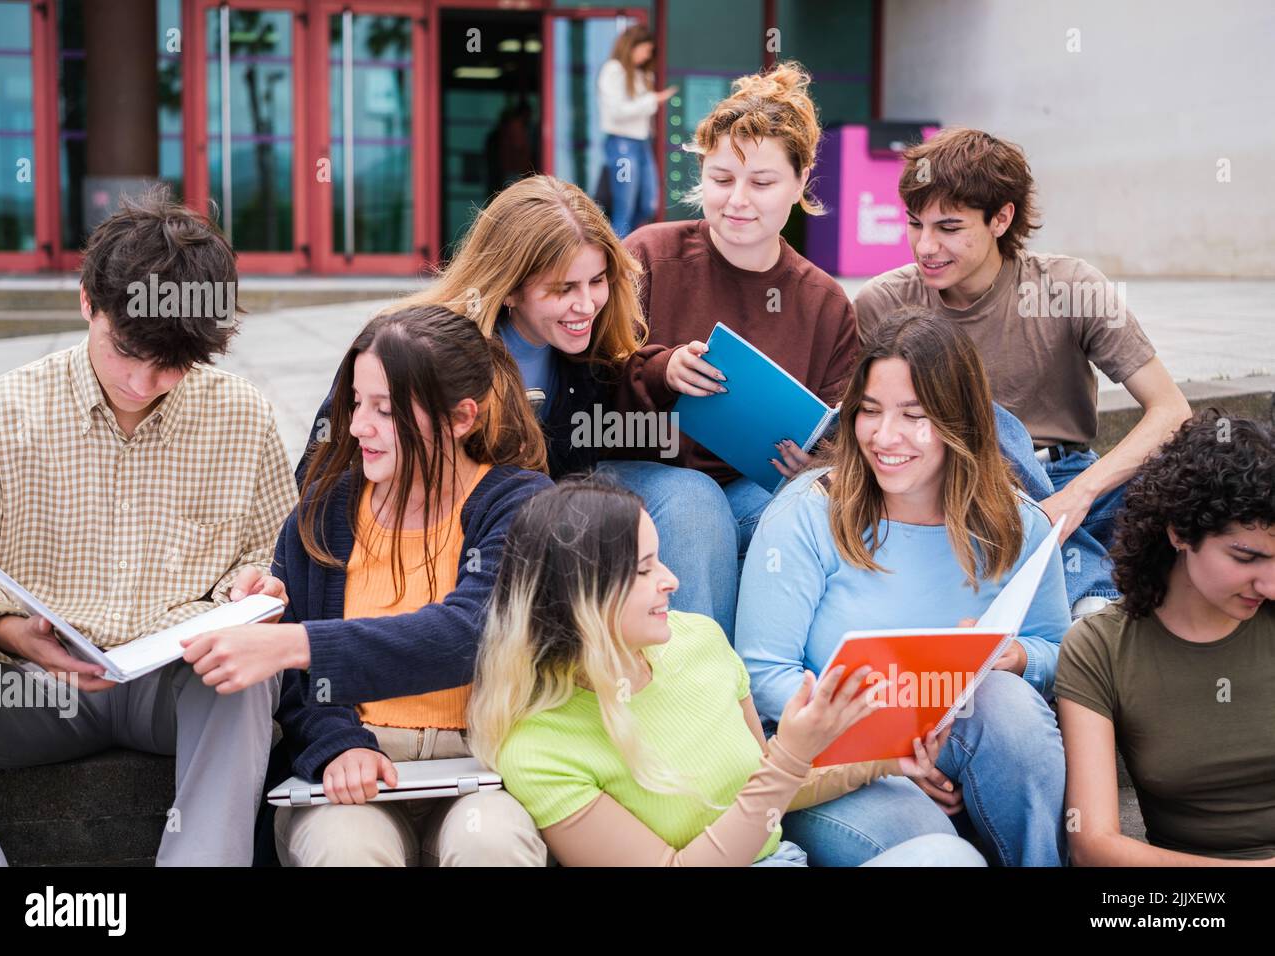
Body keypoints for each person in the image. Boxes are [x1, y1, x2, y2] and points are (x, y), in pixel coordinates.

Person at [0, 188, 297, 866]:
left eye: (174, 366)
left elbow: (277, 554)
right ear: (87, 302)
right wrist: (12, 633)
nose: (144, 381)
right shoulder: (1, 415)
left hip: (172, 687)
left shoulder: (243, 417)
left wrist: (259, 589)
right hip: (34, 687)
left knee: (244, 680)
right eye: (127, 350)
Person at [180, 306, 553, 866]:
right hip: (355, 768)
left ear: (460, 418)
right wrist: (337, 741)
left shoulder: (518, 503)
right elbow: (295, 692)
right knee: (347, 849)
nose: (357, 426)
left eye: (384, 409)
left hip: (485, 767)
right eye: (357, 403)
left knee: (489, 844)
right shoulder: (326, 510)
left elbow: (471, 635)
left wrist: (291, 643)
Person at [299, 175, 743, 635]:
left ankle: (700, 673)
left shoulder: (588, 351)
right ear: (510, 288)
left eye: (597, 280)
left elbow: (614, 440)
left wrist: (666, 375)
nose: (586, 304)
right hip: (457, 526)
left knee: (694, 496)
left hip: (551, 504)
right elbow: (322, 467)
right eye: (563, 288)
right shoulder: (416, 345)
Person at [468, 481, 986, 867]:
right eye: (644, 569)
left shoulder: (698, 639)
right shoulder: (539, 747)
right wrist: (789, 756)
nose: (671, 580)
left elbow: (761, 784)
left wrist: (884, 758)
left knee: (947, 856)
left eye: (661, 560)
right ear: (582, 595)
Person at [736, 308, 1072, 866]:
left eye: (914, 415)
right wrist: (886, 756)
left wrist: (1013, 657)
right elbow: (762, 672)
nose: (884, 436)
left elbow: (1059, 655)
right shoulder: (807, 513)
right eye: (868, 412)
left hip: (970, 742)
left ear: (958, 421)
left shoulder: (1020, 524)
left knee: (1008, 701)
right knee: (930, 842)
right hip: (834, 765)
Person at [855, 128, 1193, 614]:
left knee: (1190, 489)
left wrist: (1077, 497)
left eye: (948, 228)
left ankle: (1081, 590)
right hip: (954, 484)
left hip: (1074, 479)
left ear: (1001, 218)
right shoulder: (884, 302)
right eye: (915, 224)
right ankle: (1091, 603)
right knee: (985, 421)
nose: (925, 245)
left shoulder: (1070, 286)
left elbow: (1171, 411)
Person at [614, 61, 859, 608]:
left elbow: (846, 423)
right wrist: (662, 369)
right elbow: (589, 376)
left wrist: (822, 463)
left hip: (751, 484)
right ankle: (710, 691)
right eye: (721, 179)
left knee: (813, 506)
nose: (737, 200)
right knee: (696, 500)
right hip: (640, 470)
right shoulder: (650, 255)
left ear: (800, 185)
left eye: (762, 182)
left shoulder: (823, 301)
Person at [1057, 410, 1275, 865]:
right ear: (1179, 531)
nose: (1270, 584)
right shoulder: (1099, 649)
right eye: (1245, 557)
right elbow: (1093, 844)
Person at [596, 25, 676, 237]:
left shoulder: (641, 75)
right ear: (632, 46)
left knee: (648, 203)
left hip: (641, 144)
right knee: (624, 204)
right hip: (622, 144)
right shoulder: (613, 70)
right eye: (645, 49)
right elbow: (616, 112)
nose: (646, 55)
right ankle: (617, 256)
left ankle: (624, 247)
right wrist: (652, 99)